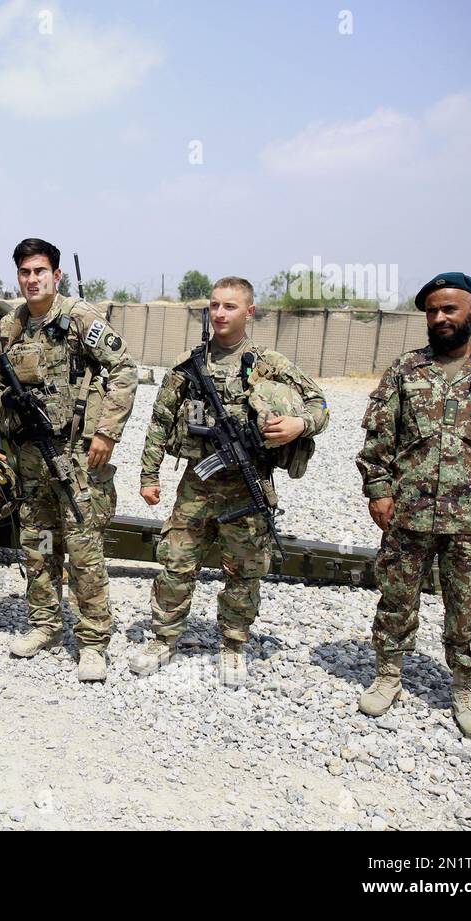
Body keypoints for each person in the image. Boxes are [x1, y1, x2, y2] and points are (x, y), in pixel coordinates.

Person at [356, 271, 471, 737]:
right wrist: (379, 490)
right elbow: (379, 438)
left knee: (468, 607)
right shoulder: (405, 370)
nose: (439, 318)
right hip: (408, 512)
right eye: (432, 310)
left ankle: (466, 687)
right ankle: (389, 674)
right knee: (396, 597)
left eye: (449, 309)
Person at [134, 276, 327, 685]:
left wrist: (298, 424)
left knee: (244, 570)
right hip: (197, 483)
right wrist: (149, 475)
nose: (220, 313)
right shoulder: (190, 364)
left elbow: (319, 404)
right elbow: (160, 419)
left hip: (247, 481)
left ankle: (233, 645)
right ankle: (163, 638)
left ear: (249, 312)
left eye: (230, 306)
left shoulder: (269, 363)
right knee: (175, 562)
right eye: (215, 306)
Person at [0, 238, 138, 682]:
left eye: (40, 272)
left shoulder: (79, 319)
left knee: (84, 550)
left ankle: (92, 641)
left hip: (74, 459)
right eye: (25, 273)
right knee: (39, 543)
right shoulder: (11, 326)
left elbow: (125, 369)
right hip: (29, 459)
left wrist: (106, 431)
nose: (32, 280)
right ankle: (45, 624)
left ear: (56, 275)